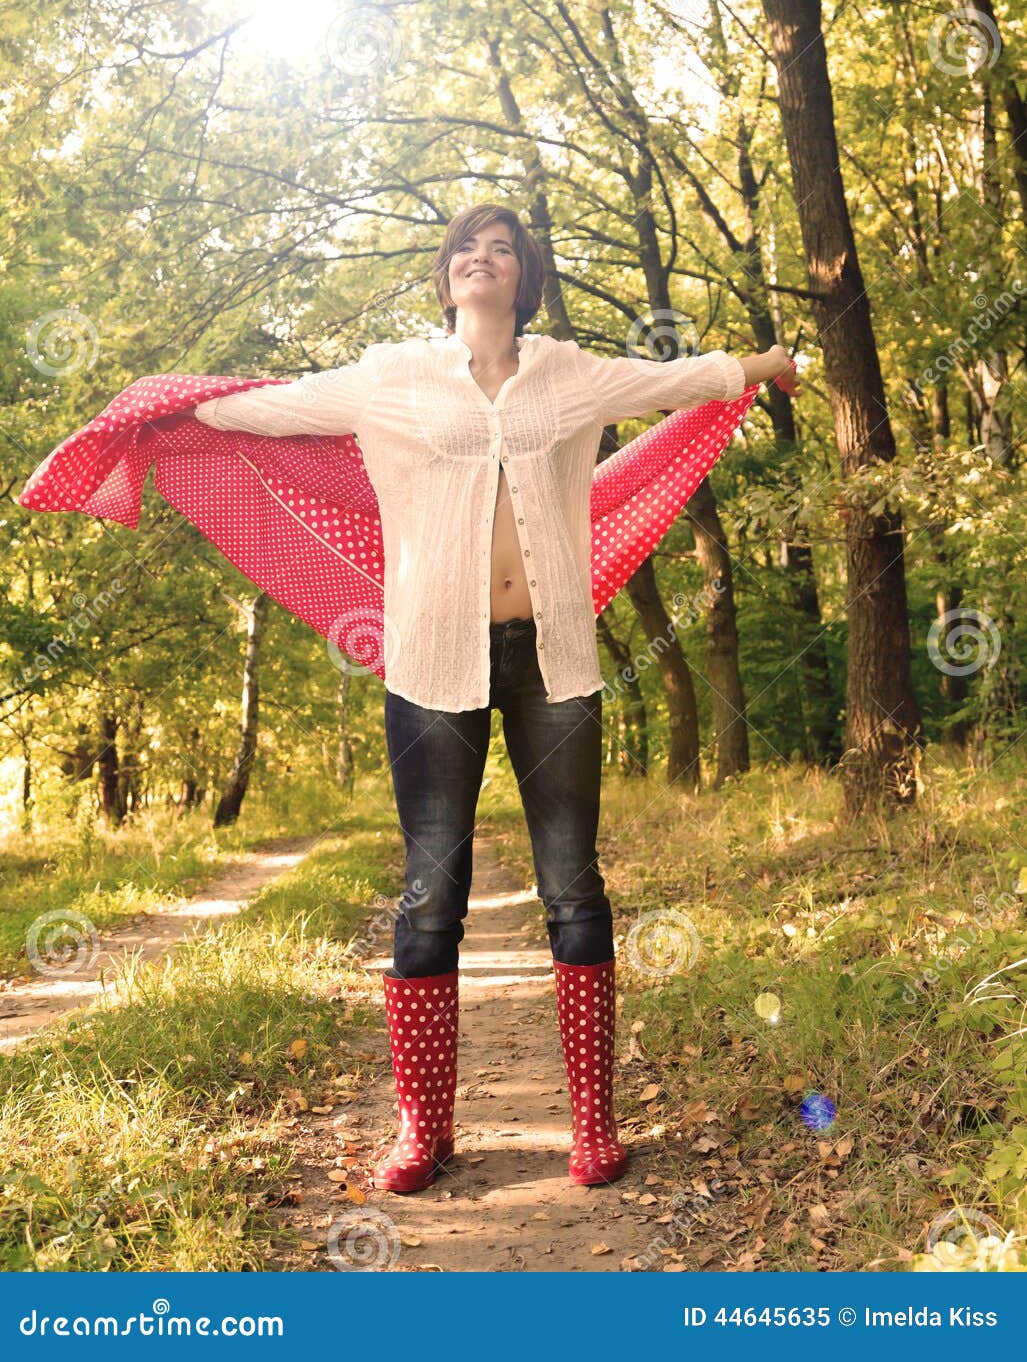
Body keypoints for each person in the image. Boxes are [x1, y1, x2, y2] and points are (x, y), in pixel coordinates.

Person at [190, 203, 798, 1195]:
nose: (482, 257)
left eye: (502, 247)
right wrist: (164, 408)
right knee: (430, 901)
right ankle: (421, 1131)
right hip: (431, 665)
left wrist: (765, 364)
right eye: (465, 249)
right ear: (444, 280)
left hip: (554, 660)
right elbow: (267, 408)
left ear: (527, 276)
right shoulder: (388, 378)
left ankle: (594, 1128)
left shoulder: (569, 371)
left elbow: (681, 378)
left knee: (574, 889)